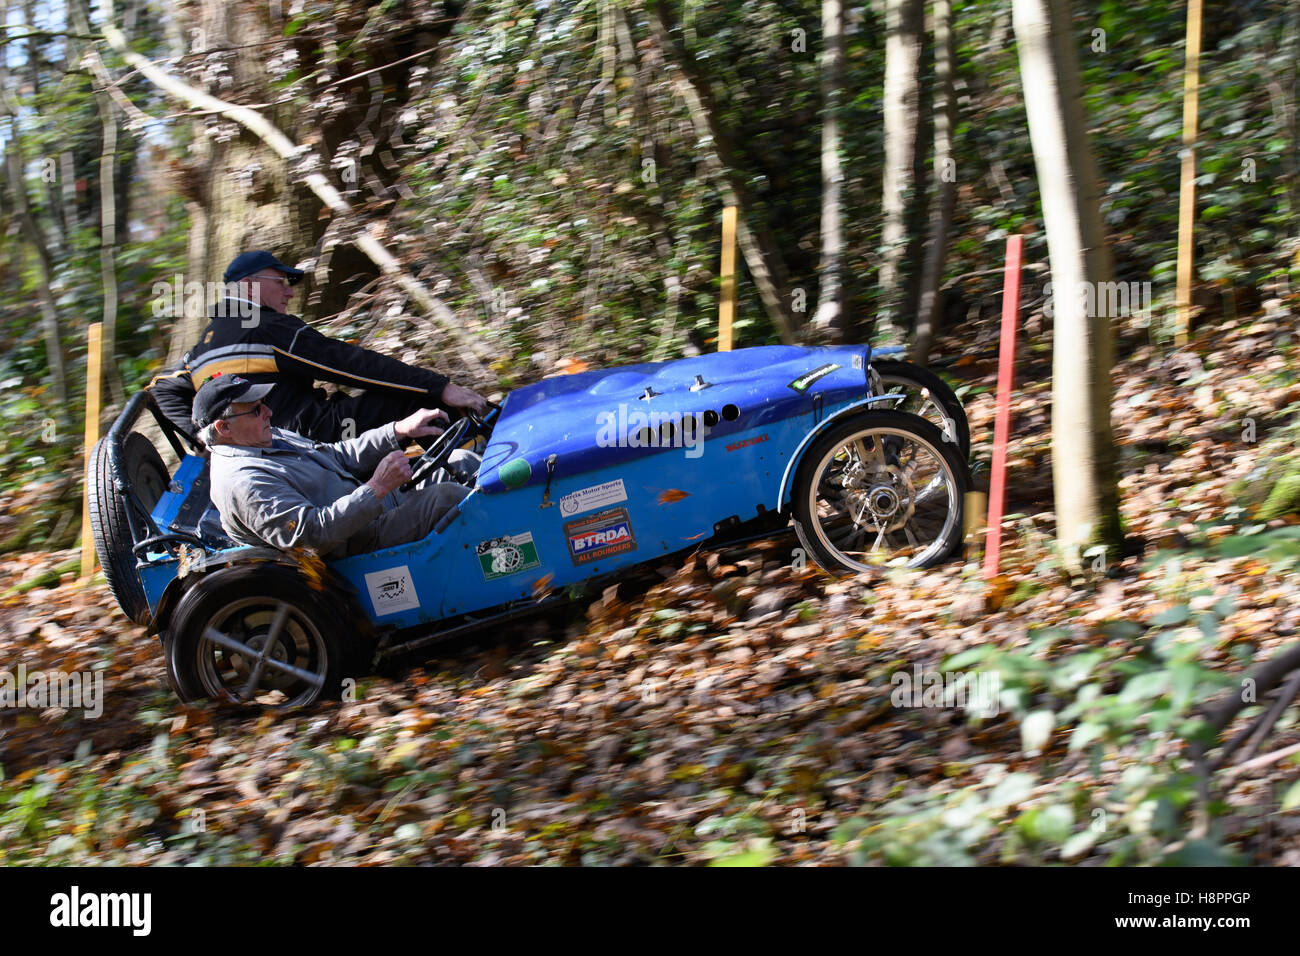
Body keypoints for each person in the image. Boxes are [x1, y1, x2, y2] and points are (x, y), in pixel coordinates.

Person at [150, 250, 488, 443]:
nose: (289, 292)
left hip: (266, 444)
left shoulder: (202, 347)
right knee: (422, 403)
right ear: (249, 285)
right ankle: (480, 489)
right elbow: (348, 364)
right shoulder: (266, 328)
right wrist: (439, 386)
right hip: (306, 437)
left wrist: (205, 439)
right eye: (281, 282)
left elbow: (161, 388)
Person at [195, 374, 475, 558]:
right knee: (445, 498)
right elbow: (311, 536)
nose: (268, 412)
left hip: (373, 507)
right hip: (359, 545)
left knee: (459, 461)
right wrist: (376, 488)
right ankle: (513, 562)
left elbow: (334, 455)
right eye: (256, 409)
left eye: (263, 404)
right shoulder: (243, 483)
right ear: (224, 428)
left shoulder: (264, 437)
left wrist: (398, 430)